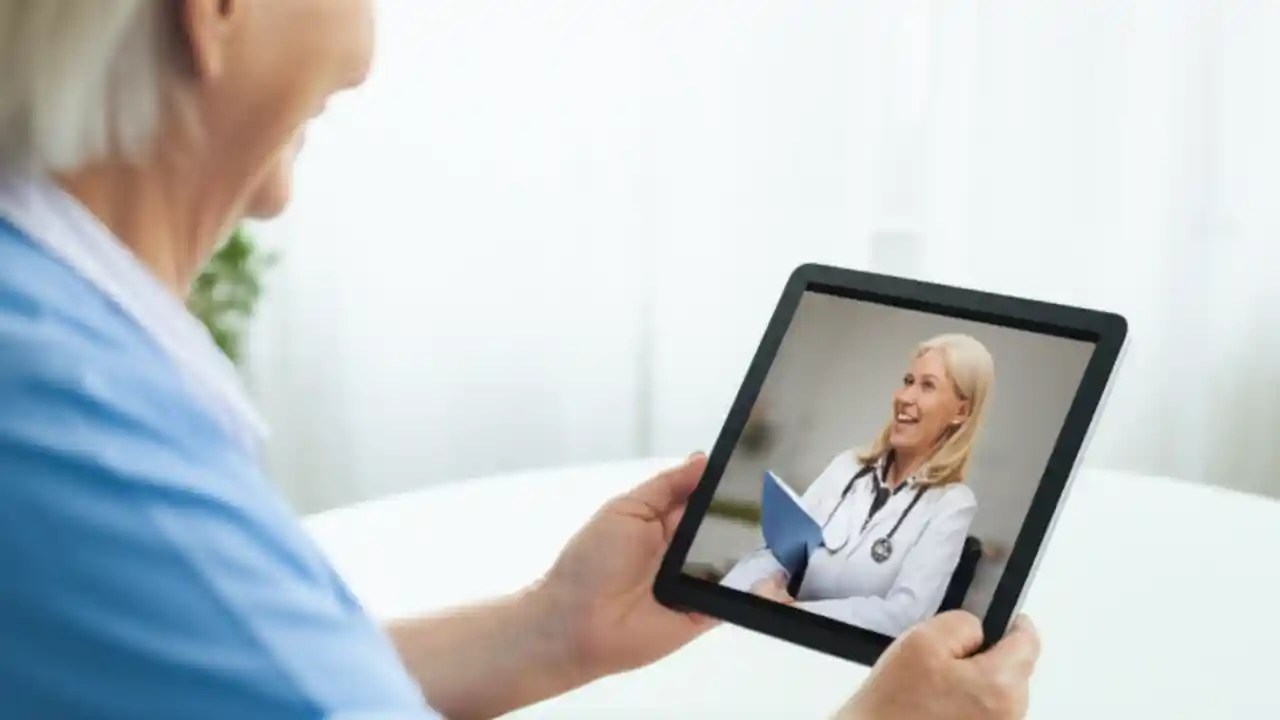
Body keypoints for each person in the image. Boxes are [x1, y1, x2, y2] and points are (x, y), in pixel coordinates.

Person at [0, 2, 1039, 718]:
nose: (366, 49)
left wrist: (550, 628)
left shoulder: (46, 344)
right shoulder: (71, 434)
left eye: (925, 384)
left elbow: (227, 683)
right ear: (215, 9)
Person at [722, 334, 994, 637]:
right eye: (908, 381)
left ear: (961, 412)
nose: (905, 397)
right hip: (775, 630)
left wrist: (791, 613)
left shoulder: (952, 503)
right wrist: (726, 603)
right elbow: (778, 553)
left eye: (927, 386)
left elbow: (905, 616)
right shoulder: (847, 466)